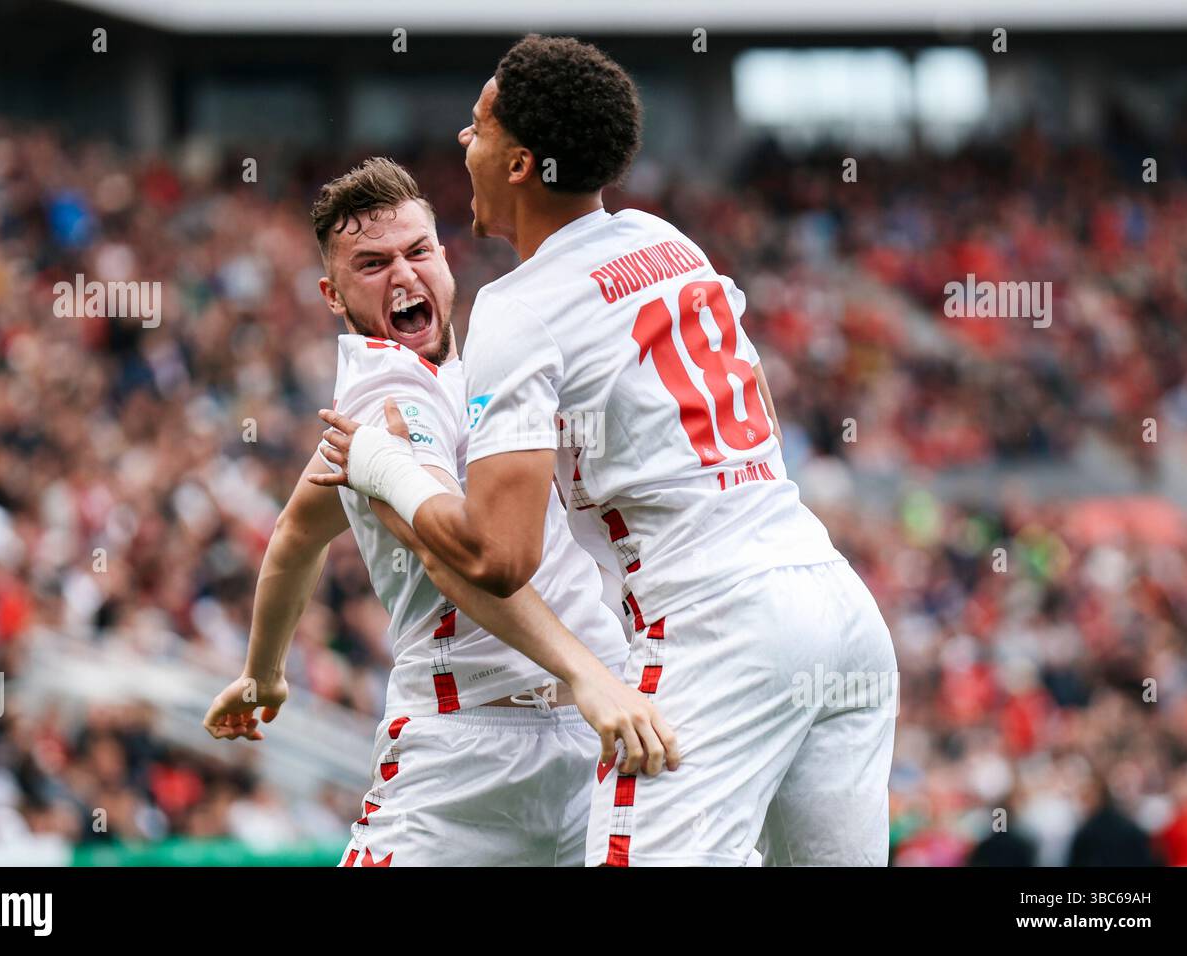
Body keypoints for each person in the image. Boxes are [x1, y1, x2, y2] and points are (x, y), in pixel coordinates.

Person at [313, 36, 897, 866]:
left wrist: (381, 467)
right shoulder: (667, 241)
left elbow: (497, 556)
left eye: (476, 126)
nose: (461, 143)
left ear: (518, 163)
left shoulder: (520, 305)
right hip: (836, 607)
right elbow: (750, 406)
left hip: (716, 628)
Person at [204, 157, 677, 867]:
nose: (403, 275)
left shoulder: (477, 367)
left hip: (592, 737)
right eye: (372, 264)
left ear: (445, 260)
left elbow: (299, 530)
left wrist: (264, 671)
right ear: (333, 296)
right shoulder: (385, 395)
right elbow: (455, 552)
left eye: (417, 251)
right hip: (469, 758)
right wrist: (589, 676)